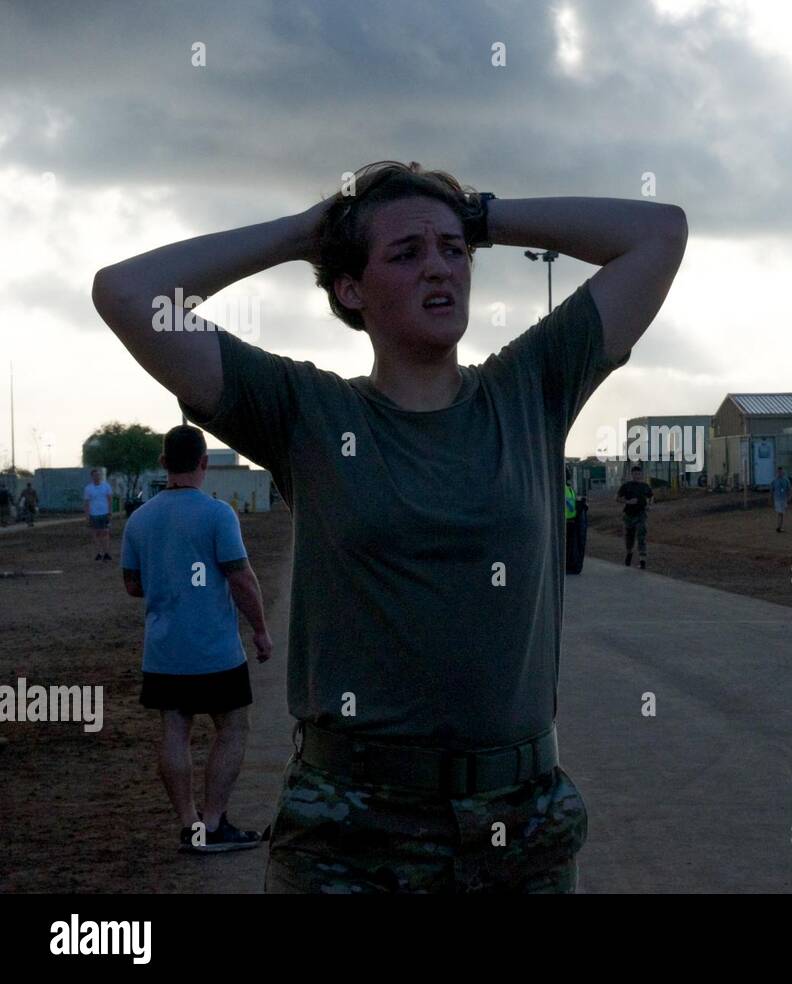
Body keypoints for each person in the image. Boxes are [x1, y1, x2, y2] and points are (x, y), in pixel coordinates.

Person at [94, 159, 686, 893]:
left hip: (521, 826)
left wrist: (481, 214)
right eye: (405, 254)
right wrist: (305, 232)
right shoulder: (307, 413)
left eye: (452, 250)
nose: (439, 269)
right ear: (349, 288)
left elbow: (660, 233)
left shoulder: (530, 386)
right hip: (352, 830)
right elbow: (127, 293)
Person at [121, 425, 271, 853]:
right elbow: (240, 577)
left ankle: (190, 825)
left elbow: (133, 585)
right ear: (204, 463)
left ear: (163, 463)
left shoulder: (139, 518)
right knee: (233, 726)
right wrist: (259, 629)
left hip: (164, 651)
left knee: (174, 727)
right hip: (215, 650)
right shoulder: (218, 514)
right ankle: (214, 820)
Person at [617, 464, 655, 569]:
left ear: (641, 474)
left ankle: (642, 560)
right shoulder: (626, 486)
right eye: (635, 474)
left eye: (639, 474)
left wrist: (649, 505)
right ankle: (629, 553)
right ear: (632, 474)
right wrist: (628, 501)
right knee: (629, 537)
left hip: (641, 514)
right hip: (629, 515)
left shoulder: (645, 486)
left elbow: (651, 496)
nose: (637, 476)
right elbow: (618, 498)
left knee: (641, 536)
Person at [84, 467, 114, 562]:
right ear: (92, 477)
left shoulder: (106, 486)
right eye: (95, 475)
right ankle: (98, 553)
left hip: (104, 513)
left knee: (105, 533)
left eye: (98, 475)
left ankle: (106, 552)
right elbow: (87, 503)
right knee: (96, 534)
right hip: (94, 514)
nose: (97, 477)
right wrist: (87, 515)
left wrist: (110, 512)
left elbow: (110, 500)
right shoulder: (88, 488)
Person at [771, 465, 792, 532]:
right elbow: (771, 490)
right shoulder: (774, 481)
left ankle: (780, 526)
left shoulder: (786, 480)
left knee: (781, 513)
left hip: (783, 498)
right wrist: (771, 498)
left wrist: (789, 496)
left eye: (781, 471)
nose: (780, 473)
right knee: (780, 512)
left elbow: (789, 489)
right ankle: (779, 526)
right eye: (779, 472)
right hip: (777, 498)